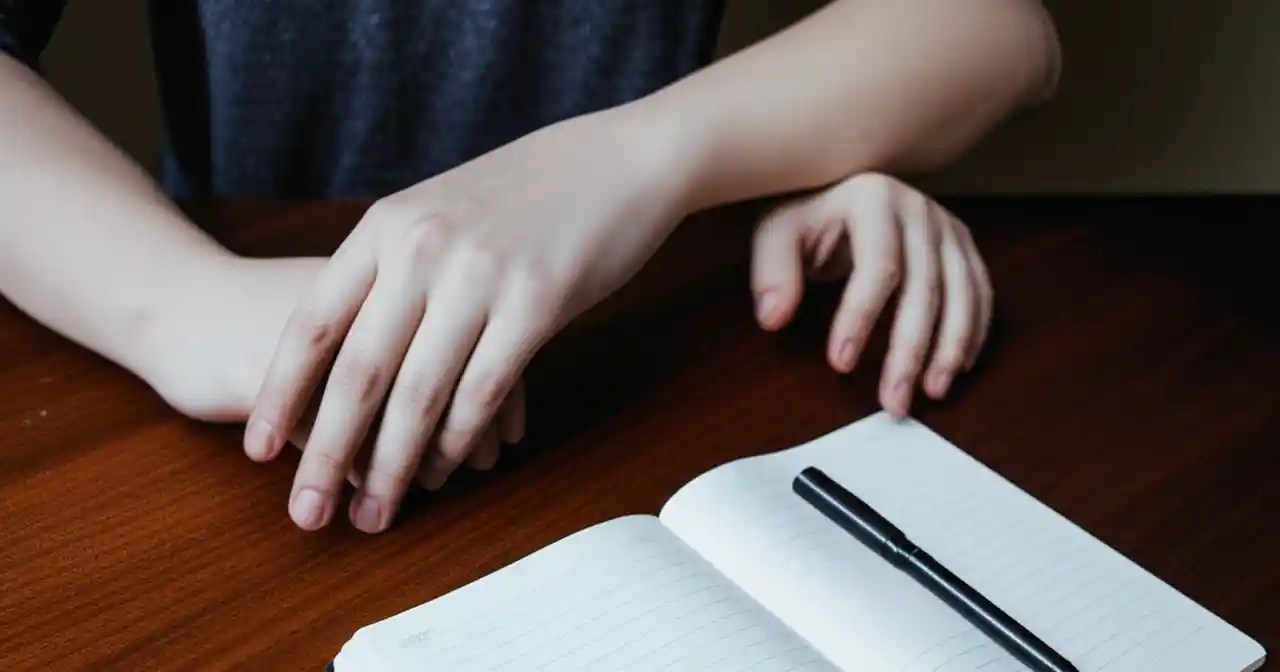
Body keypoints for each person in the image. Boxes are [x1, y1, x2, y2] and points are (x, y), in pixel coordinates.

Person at [0, 1, 1061, 534]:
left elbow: (997, 25)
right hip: (260, 315)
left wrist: (676, 152)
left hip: (640, 336)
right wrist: (181, 302)